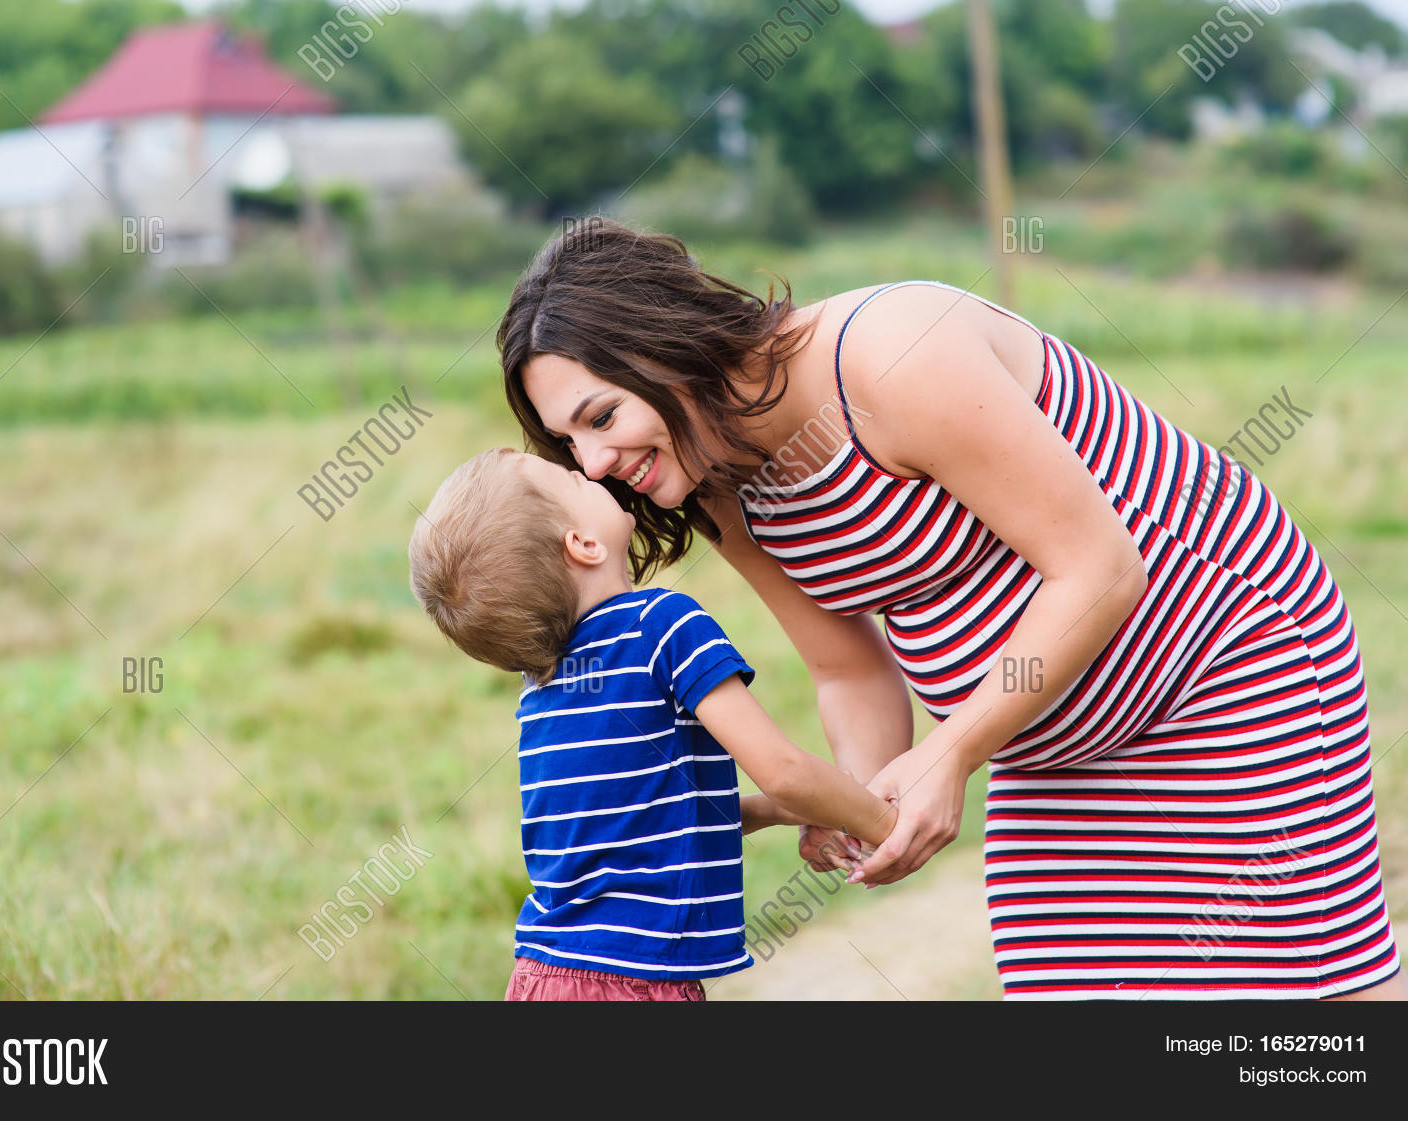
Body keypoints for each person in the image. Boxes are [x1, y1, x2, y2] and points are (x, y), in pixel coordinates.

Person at [495, 216, 1405, 1000]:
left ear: (664, 345)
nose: (595, 464)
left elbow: (1096, 570)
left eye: (601, 416)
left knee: (1298, 1002)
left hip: (1235, 668)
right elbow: (846, 665)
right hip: (1044, 736)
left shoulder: (891, 357)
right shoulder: (718, 477)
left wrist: (954, 749)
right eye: (570, 442)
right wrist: (859, 793)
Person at [407, 445, 896, 1000]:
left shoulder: (544, 684)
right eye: (571, 478)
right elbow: (780, 768)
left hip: (543, 975)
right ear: (583, 545)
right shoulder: (662, 624)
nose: (590, 471)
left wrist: (787, 812)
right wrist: (885, 824)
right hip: (633, 983)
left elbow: (635, 828)